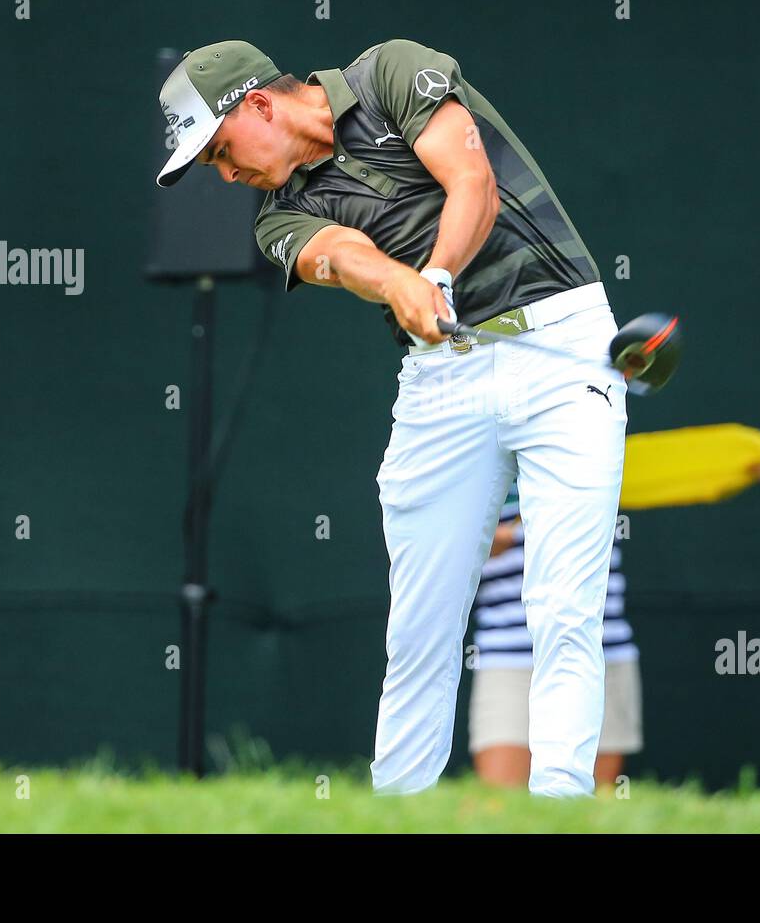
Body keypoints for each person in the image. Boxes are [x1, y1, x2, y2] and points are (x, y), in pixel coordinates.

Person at [154, 40, 627, 796]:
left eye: (218, 149)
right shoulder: (277, 219)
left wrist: (434, 274)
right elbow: (342, 256)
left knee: (564, 605)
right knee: (419, 626)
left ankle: (562, 807)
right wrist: (400, 285)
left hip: (564, 343)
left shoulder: (393, 72)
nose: (224, 172)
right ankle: (397, 810)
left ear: (259, 104)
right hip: (442, 379)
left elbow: (474, 182)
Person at [469, 483, 642, 792]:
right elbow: (433, 549)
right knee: (499, 804)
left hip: (599, 653)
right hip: (509, 655)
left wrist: (743, 460)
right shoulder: (475, 468)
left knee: (593, 807)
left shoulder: (594, 453)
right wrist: (476, 542)